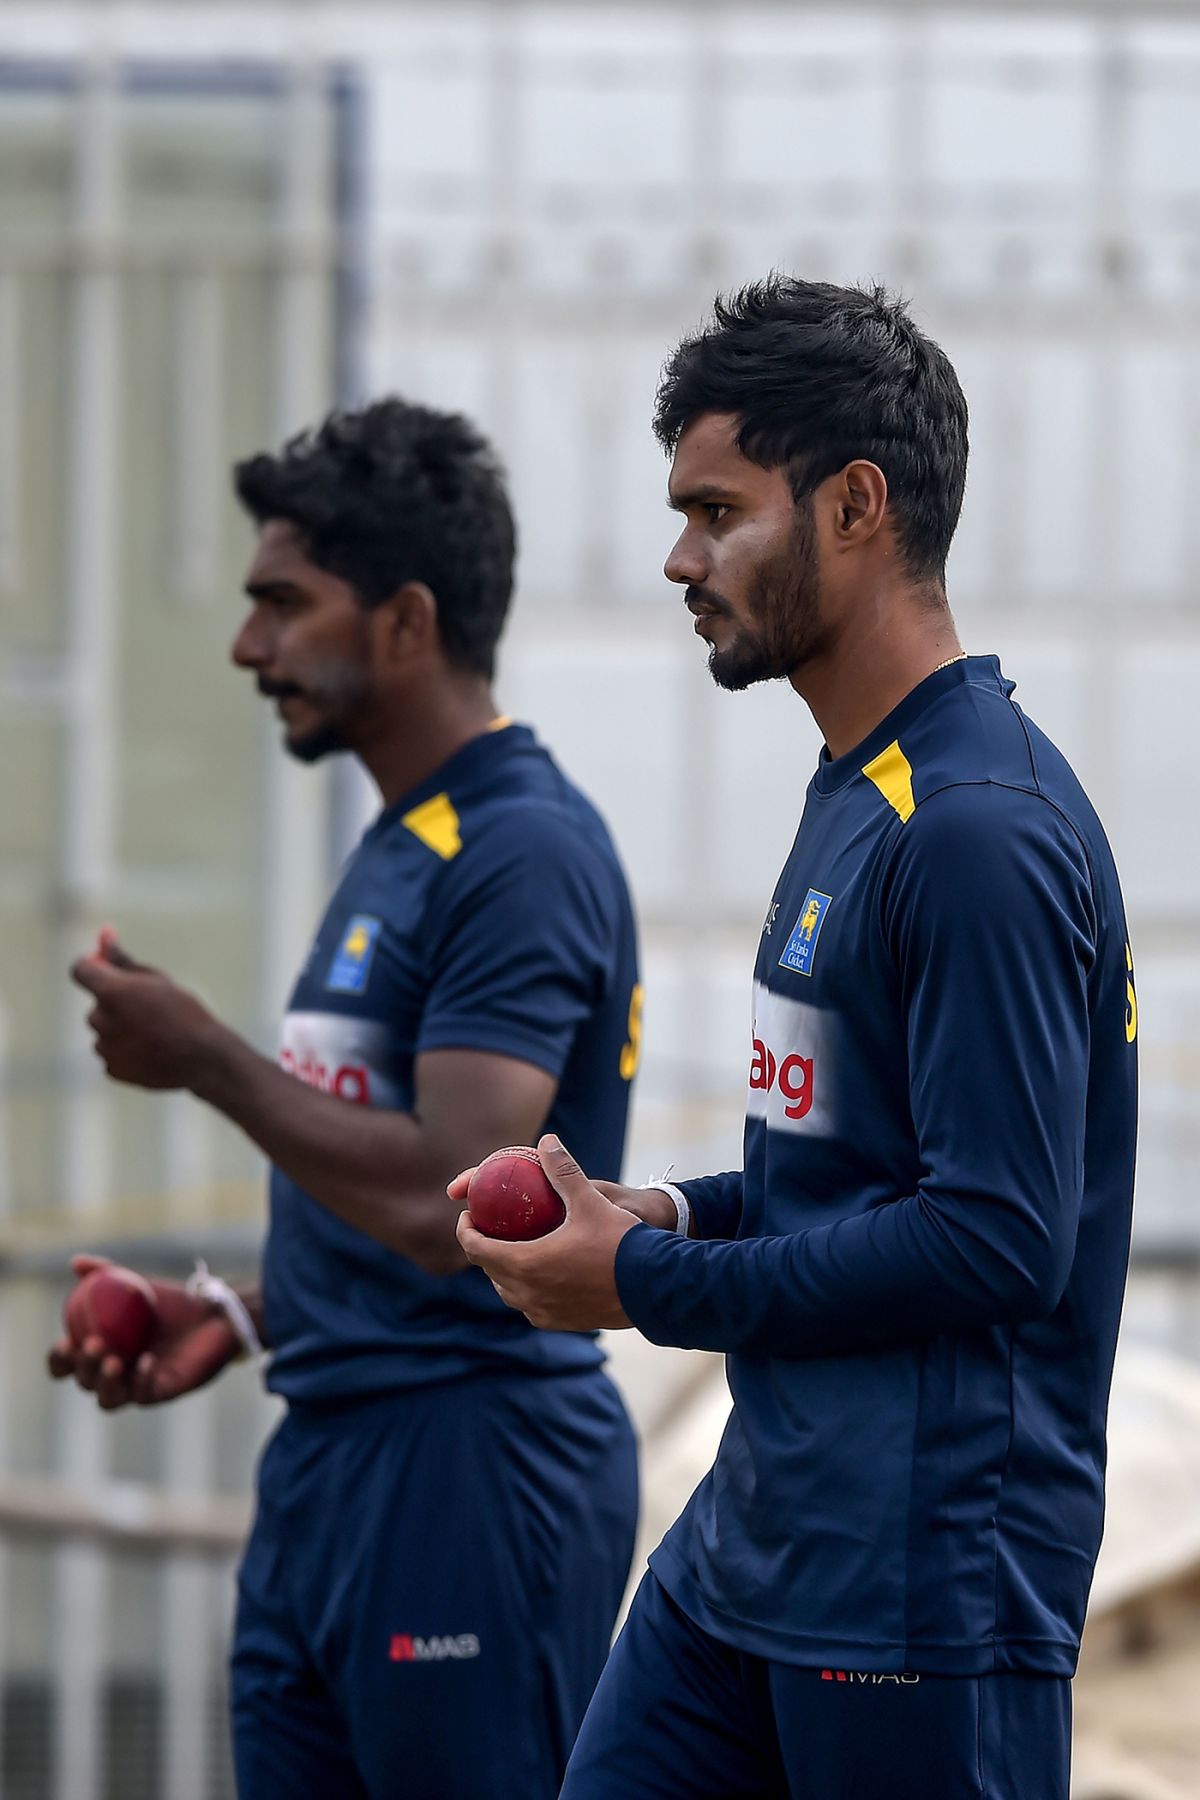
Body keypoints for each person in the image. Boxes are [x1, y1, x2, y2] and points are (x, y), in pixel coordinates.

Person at [454, 278, 1138, 1800]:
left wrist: (642, 1283)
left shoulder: (974, 831)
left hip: (918, 1593)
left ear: (855, 504)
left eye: (716, 509)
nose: (680, 558)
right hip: (747, 1551)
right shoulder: (860, 787)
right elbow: (851, 1169)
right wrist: (674, 1211)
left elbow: (992, 1237)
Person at [48, 399, 642, 1800]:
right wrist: (243, 1311)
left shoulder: (519, 851)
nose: (250, 646)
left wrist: (205, 1057)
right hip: (331, 1457)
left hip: (468, 1469)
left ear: (405, 621)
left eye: (283, 604)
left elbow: (459, 1199)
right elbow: (372, 1164)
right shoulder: (402, 839)